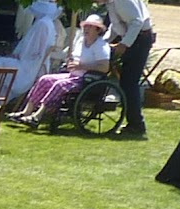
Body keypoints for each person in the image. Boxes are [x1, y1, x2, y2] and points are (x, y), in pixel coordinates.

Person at [10, 13, 111, 127]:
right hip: (73, 75)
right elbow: (74, 57)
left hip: (87, 80)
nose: (86, 29)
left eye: (90, 27)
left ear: (97, 30)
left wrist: (81, 66)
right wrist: (69, 62)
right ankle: (26, 111)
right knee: (45, 79)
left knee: (59, 85)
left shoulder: (101, 46)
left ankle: (38, 115)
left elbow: (104, 67)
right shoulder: (81, 41)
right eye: (85, 26)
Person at [0, 0, 65, 100]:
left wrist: (17, 55)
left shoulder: (42, 24)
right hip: (33, 65)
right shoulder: (47, 23)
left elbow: (33, 50)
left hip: (28, 67)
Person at [107, 0, 155, 137]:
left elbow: (136, 22)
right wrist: (103, 42)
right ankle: (133, 123)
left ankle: (137, 125)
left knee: (129, 83)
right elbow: (116, 25)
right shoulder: (111, 3)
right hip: (136, 38)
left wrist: (124, 44)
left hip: (140, 39)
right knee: (126, 83)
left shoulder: (121, 1)